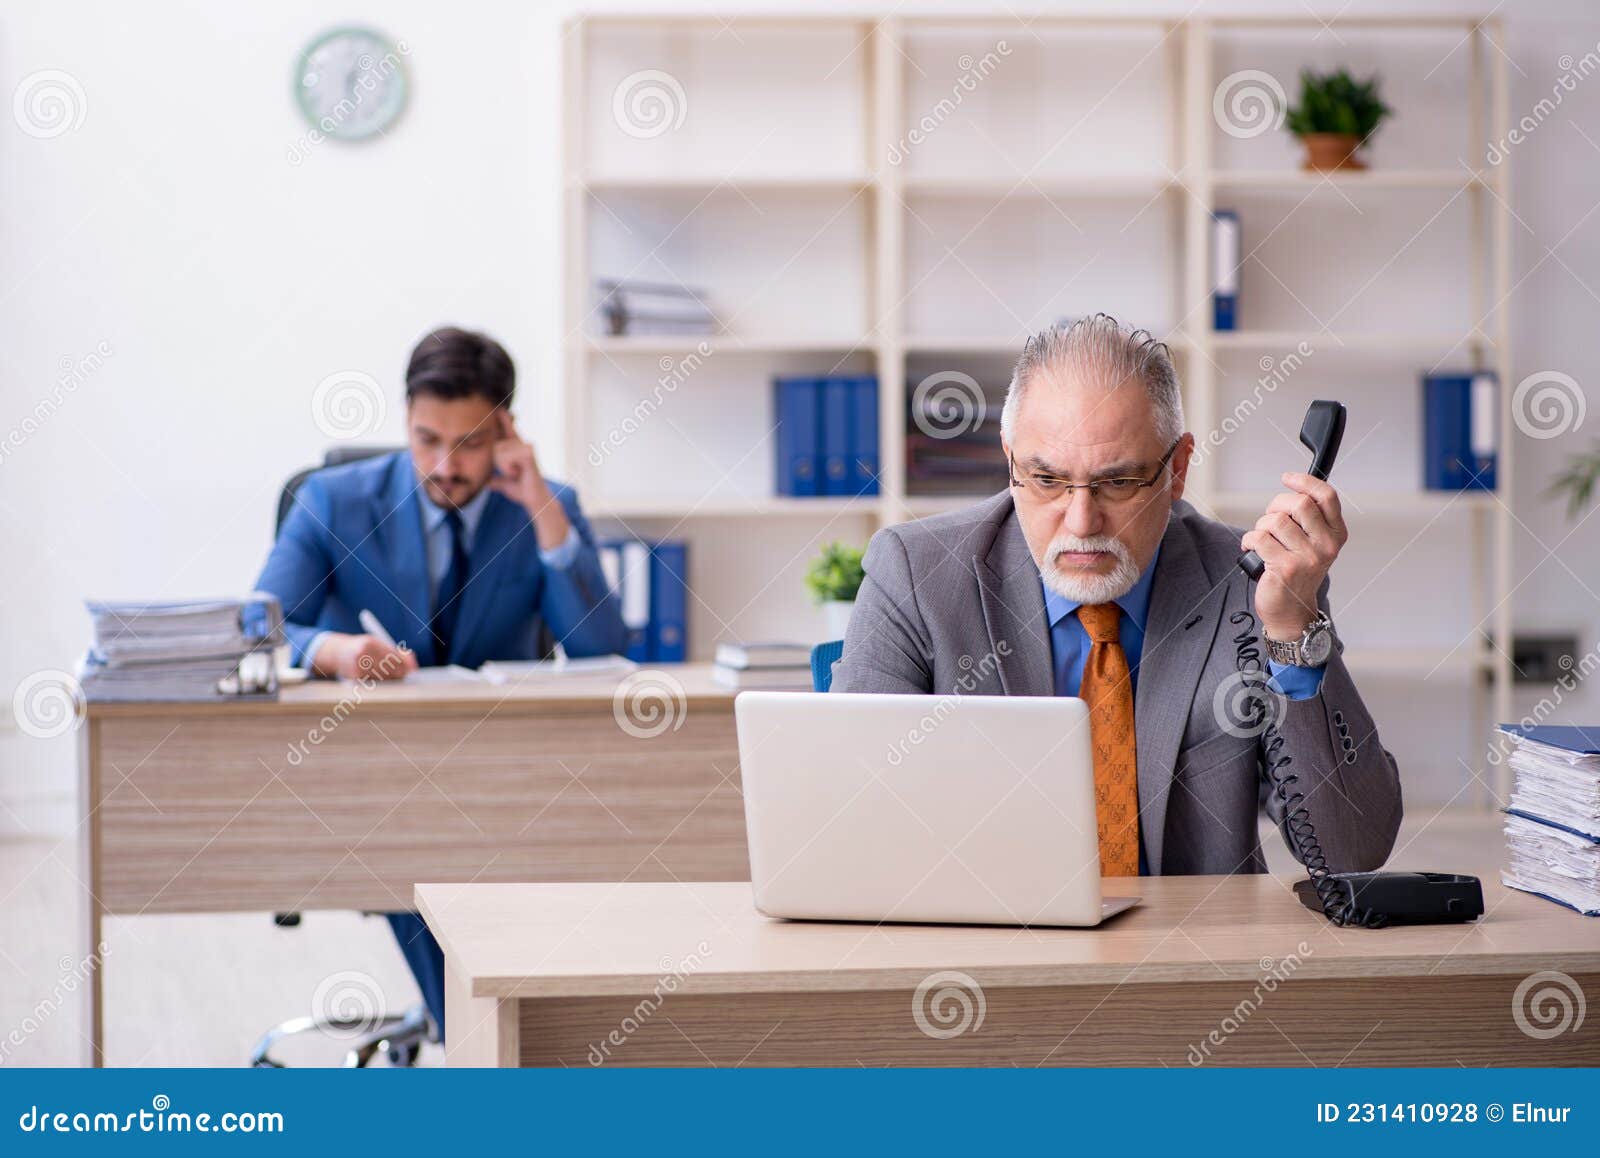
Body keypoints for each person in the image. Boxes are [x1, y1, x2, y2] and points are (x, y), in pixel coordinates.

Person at [831, 314, 1401, 878]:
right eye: (1048, 480)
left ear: (1177, 469)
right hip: (986, 952)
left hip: (1190, 955)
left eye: (1119, 482)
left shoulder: (1255, 587)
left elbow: (1353, 848)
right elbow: (849, 827)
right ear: (1010, 461)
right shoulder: (917, 574)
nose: (1081, 522)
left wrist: (1291, 634)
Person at [254, 325, 626, 1041]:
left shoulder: (546, 504)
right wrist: (336, 651)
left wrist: (542, 509)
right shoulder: (336, 500)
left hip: (503, 772)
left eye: (472, 443)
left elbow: (600, 648)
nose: (446, 465)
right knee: (412, 835)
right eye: (428, 439)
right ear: (404, 419)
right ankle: (483, 1043)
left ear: (508, 430)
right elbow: (259, 624)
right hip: (376, 772)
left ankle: (494, 1042)